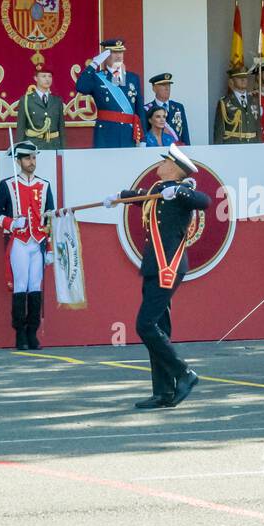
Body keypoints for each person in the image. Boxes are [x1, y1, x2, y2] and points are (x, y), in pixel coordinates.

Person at [107, 144, 208, 408]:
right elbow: (140, 195)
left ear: (174, 168)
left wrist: (182, 190)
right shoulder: (158, 190)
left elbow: (204, 201)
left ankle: (184, 373)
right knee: (158, 327)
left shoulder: (181, 192)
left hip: (169, 265)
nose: (159, 165)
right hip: (155, 265)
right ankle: (163, 391)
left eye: (164, 162)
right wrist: (118, 196)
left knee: (145, 325)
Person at [0, 140, 53, 350]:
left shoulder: (45, 185)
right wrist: (12, 222)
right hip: (19, 242)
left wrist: (49, 248)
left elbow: (49, 220)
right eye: (27, 158)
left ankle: (32, 333)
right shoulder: (7, 185)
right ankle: (20, 334)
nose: (31, 162)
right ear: (18, 161)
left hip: (38, 242)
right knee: (20, 285)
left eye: (33, 158)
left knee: (35, 286)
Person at [75, 38, 146, 148]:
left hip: (128, 135)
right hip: (106, 135)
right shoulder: (97, 77)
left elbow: (139, 109)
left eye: (121, 52)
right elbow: (81, 87)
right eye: (114, 52)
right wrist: (94, 64)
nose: (118, 56)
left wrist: (142, 138)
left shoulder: (132, 78)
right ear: (105, 55)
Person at [17, 54, 67, 150]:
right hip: (34, 145)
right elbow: (21, 128)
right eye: (43, 76)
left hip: (54, 145)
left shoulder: (57, 101)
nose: (47, 79)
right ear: (36, 78)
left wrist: (63, 149)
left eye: (50, 76)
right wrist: (21, 151)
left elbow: (61, 128)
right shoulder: (26, 100)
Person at [213, 65, 261, 144]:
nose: (243, 80)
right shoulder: (224, 102)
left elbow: (258, 127)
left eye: (245, 77)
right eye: (239, 78)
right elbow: (219, 130)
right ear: (231, 81)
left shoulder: (254, 100)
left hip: (253, 145)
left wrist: (260, 146)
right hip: (233, 146)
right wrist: (219, 151)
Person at [145, 72, 190, 146]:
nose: (167, 88)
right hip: (156, 149)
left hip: (177, 150)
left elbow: (185, 134)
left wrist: (188, 148)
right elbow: (146, 133)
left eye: (168, 85)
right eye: (163, 85)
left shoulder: (178, 107)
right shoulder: (147, 109)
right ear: (154, 88)